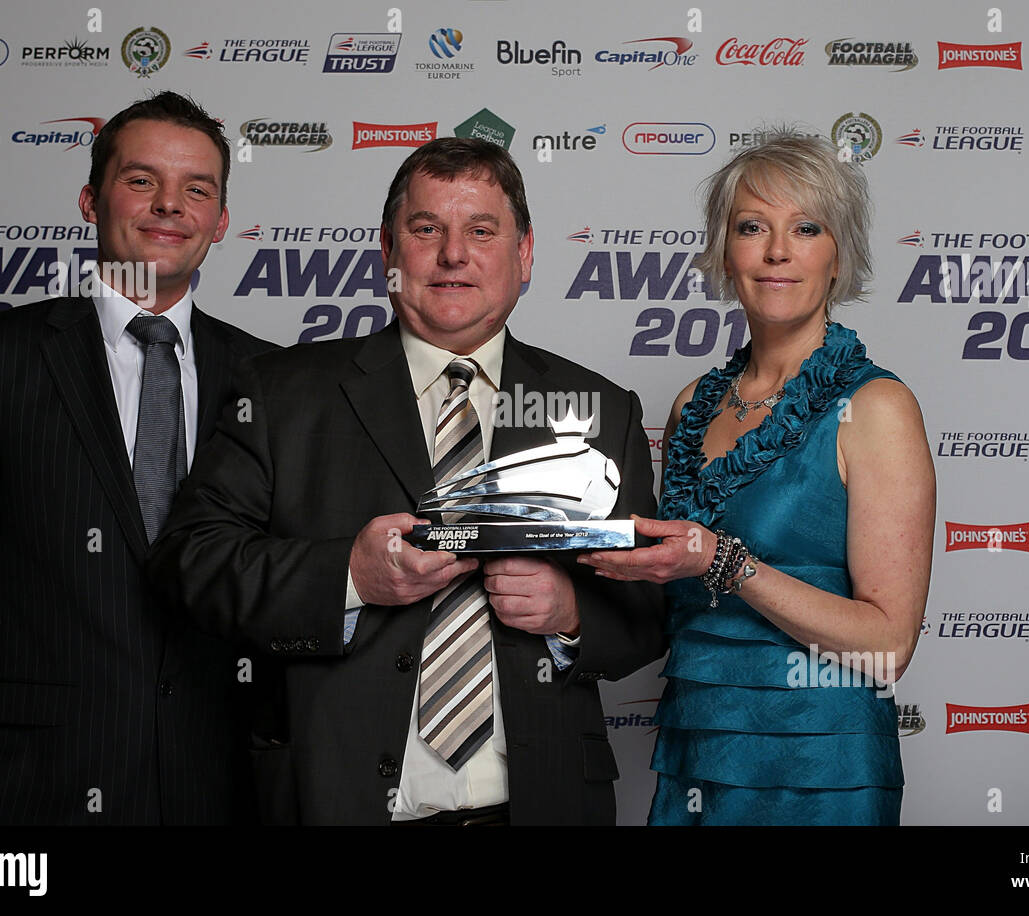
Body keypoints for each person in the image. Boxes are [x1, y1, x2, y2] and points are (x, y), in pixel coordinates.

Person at [148, 137, 665, 825]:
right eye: (427, 230)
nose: (455, 255)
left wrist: (571, 613)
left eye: (482, 231)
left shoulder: (599, 409)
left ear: (526, 254)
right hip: (336, 802)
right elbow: (191, 563)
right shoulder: (281, 394)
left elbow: (647, 617)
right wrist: (351, 578)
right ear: (389, 252)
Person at [0, 91, 274, 824]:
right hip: (30, 793)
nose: (170, 205)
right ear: (90, 199)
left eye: (197, 189)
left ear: (221, 220)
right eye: (141, 181)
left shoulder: (270, 379)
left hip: (221, 789)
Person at [581, 128, 935, 825]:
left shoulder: (876, 407)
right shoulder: (692, 404)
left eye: (806, 228)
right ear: (725, 251)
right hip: (695, 752)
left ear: (839, 257)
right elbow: (669, 592)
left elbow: (888, 646)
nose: (777, 251)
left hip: (820, 767)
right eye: (752, 227)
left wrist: (723, 560)